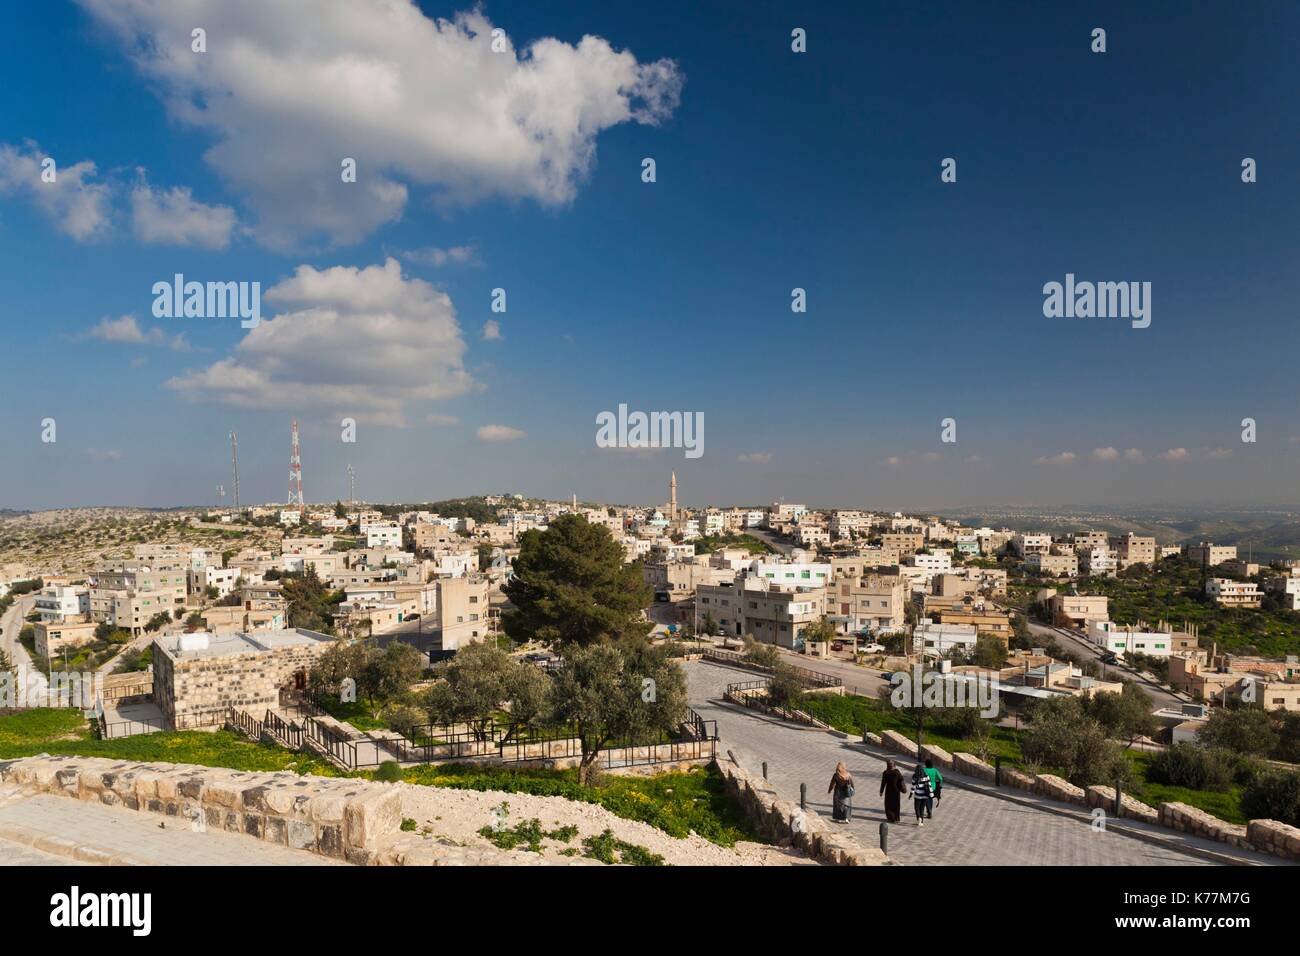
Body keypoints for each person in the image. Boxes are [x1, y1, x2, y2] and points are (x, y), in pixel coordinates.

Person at [879, 759, 905, 823]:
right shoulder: (897, 772)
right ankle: (896, 818)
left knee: (888, 805)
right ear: (894, 765)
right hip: (896, 791)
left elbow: (883, 783)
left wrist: (881, 791)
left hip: (888, 791)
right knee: (896, 804)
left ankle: (891, 818)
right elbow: (901, 779)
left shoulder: (885, 773)